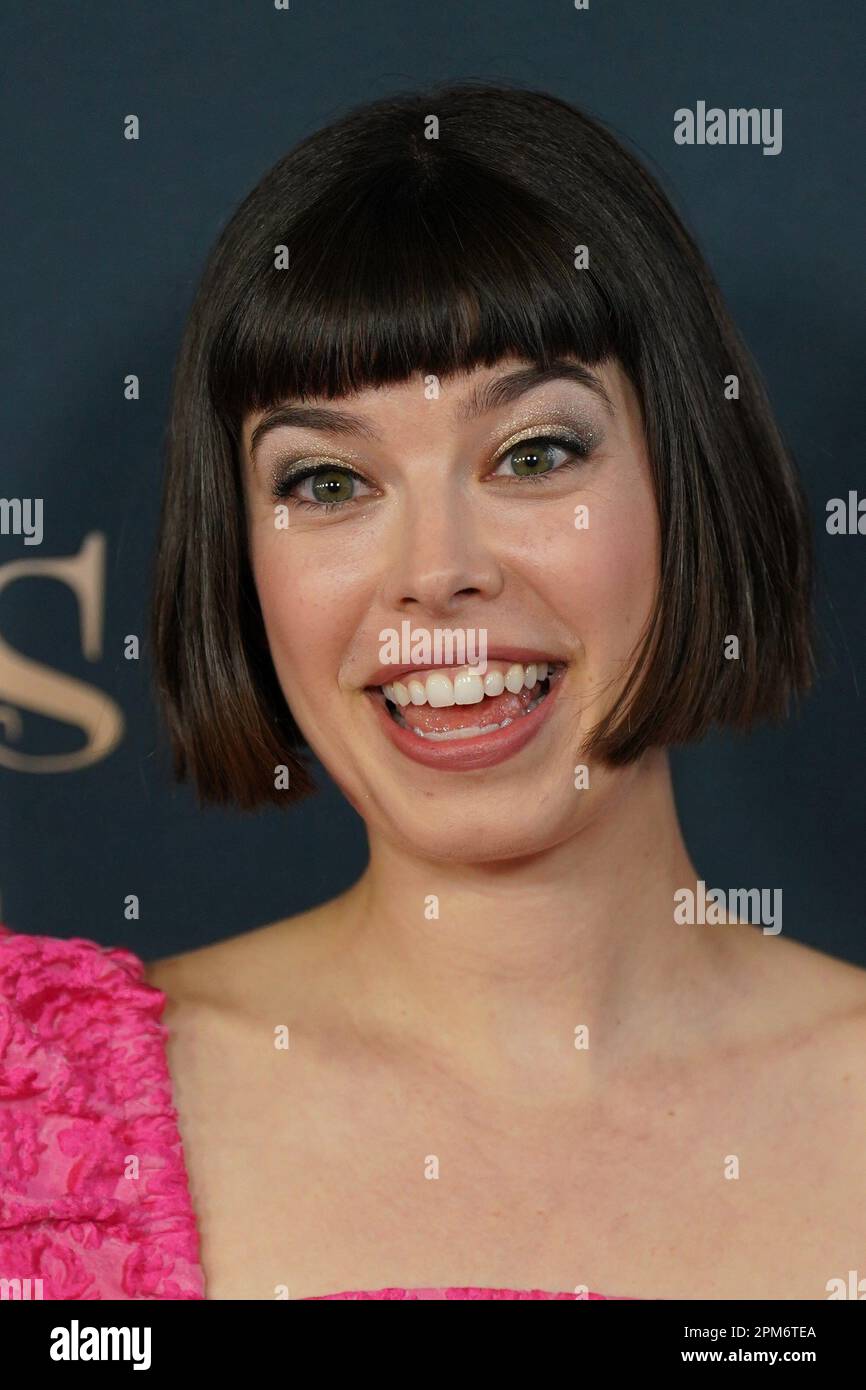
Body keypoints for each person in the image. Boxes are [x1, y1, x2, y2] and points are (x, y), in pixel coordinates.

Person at [2, 83, 864, 1302]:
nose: (435, 572)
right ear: (238, 559)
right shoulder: (30, 1114)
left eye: (532, 455)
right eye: (327, 483)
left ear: (691, 484)